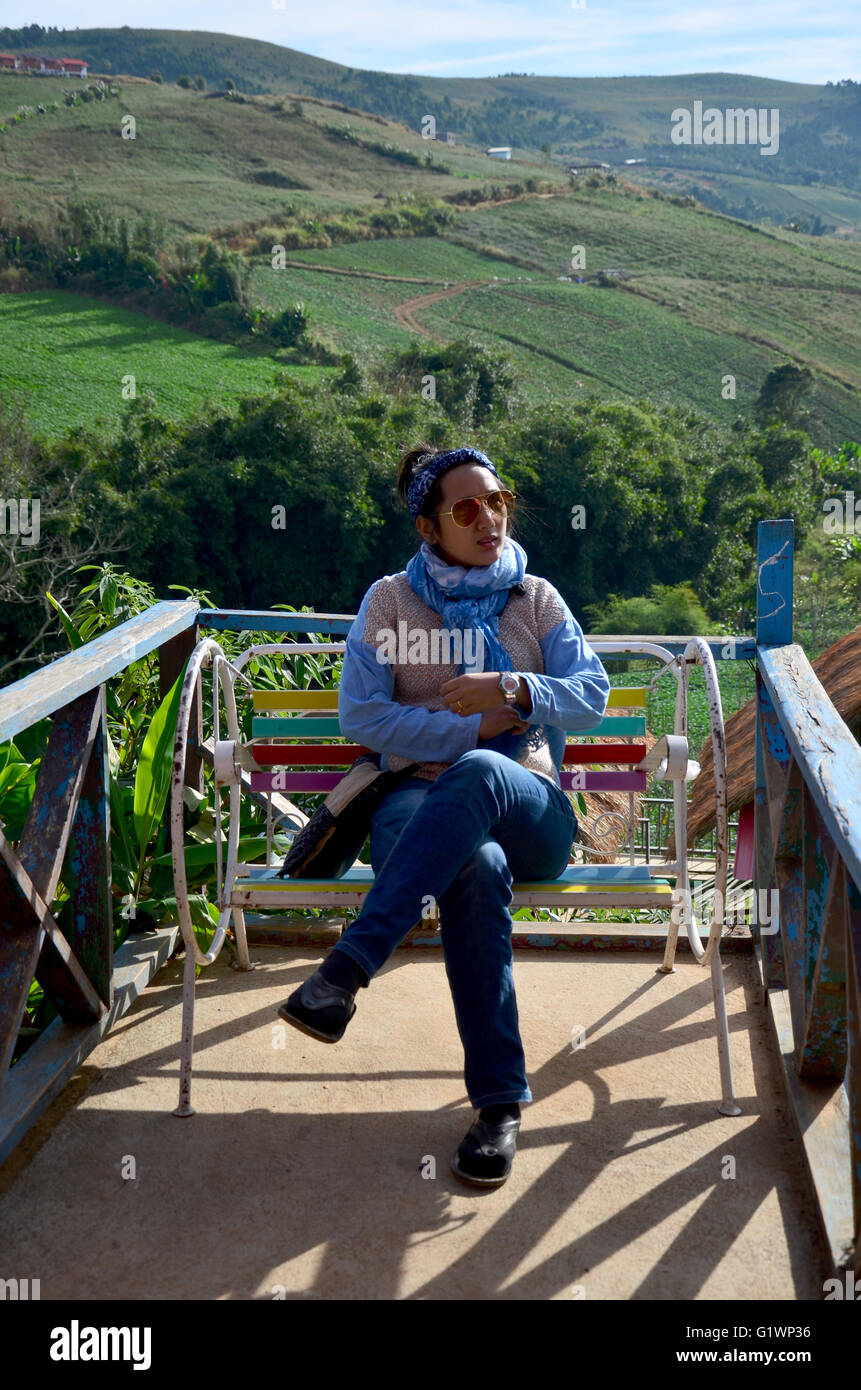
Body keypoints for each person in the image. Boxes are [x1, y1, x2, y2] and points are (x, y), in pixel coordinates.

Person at [278, 444, 610, 1188]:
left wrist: (515, 690)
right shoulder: (390, 602)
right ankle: (499, 1108)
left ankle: (344, 969)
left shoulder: (536, 599)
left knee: (487, 774)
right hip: (414, 808)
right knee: (475, 865)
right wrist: (469, 729)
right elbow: (361, 714)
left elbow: (589, 697)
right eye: (466, 508)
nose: (487, 518)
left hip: (529, 808)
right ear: (429, 526)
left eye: (496, 500)